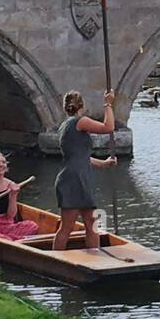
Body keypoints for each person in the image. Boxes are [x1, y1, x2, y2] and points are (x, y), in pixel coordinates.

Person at [53, 89, 119, 251]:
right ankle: (56, 258)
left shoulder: (66, 125)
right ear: (81, 106)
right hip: (72, 180)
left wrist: (104, 163)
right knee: (67, 227)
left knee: (91, 223)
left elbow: (82, 157)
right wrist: (108, 104)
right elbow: (108, 127)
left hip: (80, 178)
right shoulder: (78, 122)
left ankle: (94, 257)